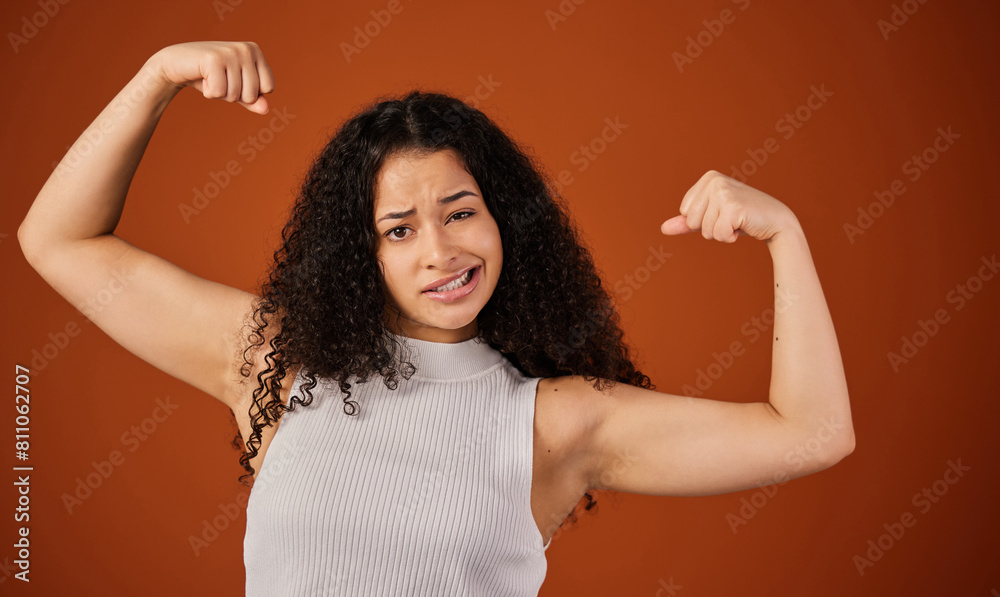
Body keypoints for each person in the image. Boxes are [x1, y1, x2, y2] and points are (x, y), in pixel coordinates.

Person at [18, 41, 855, 595]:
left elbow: (811, 433)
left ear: (504, 219)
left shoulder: (557, 420)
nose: (438, 252)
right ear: (363, 253)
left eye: (461, 212)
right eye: (398, 228)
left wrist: (786, 235)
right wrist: (157, 77)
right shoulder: (275, 362)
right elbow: (57, 240)